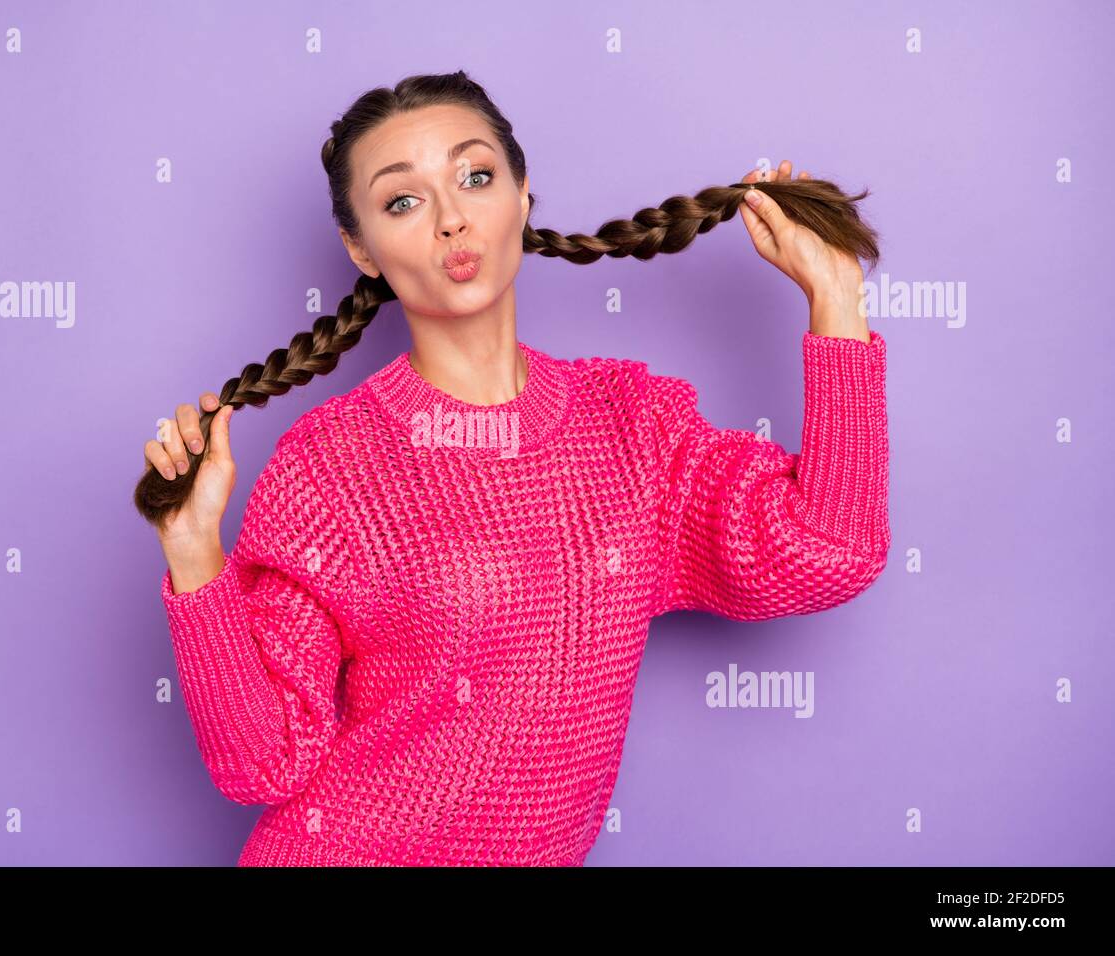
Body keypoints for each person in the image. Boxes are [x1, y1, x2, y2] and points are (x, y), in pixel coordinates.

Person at [138, 70, 889, 866]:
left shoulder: (632, 426)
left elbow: (831, 551)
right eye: (403, 201)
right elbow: (263, 765)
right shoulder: (330, 465)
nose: (453, 220)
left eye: (476, 176)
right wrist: (193, 557)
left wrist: (836, 300)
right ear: (360, 248)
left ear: (522, 196)